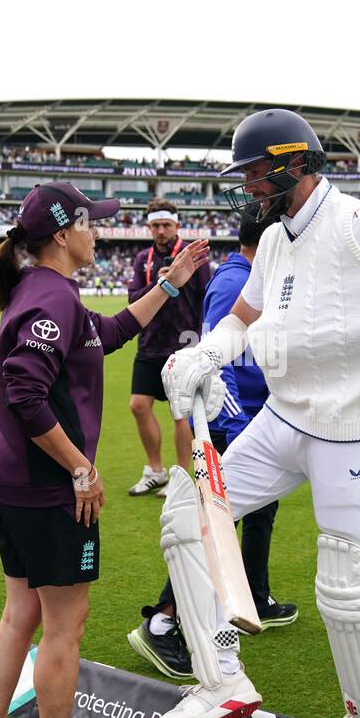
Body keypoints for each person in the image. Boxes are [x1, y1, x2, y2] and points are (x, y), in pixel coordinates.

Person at [155, 108, 360, 718]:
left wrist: (268, 339)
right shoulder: (271, 240)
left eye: (258, 175)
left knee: (347, 580)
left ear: (297, 162)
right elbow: (243, 317)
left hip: (352, 428)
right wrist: (206, 354)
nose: (250, 189)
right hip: (285, 417)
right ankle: (221, 680)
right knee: (187, 513)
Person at [0, 182, 211, 718]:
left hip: (12, 482)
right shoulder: (49, 301)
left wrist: (171, 283)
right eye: (91, 224)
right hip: (48, 492)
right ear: (63, 235)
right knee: (63, 625)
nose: (99, 231)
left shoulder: (49, 293)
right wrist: (80, 468)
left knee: (20, 612)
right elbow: (24, 392)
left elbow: (113, 330)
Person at [126, 211, 297, 679]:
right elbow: (220, 360)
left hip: (258, 418)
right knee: (213, 522)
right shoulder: (234, 282)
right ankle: (163, 620)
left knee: (255, 513)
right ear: (269, 243)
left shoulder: (247, 279)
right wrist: (241, 422)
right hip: (235, 421)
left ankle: (255, 595)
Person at [125, 199, 212, 497]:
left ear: (176, 225)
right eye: (155, 226)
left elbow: (206, 295)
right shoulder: (143, 259)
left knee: (180, 414)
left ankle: (181, 475)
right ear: (149, 227)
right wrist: (161, 283)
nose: (161, 231)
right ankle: (156, 470)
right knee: (138, 405)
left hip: (183, 344)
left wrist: (206, 337)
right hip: (149, 343)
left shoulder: (192, 256)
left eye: (166, 225)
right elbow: (132, 296)